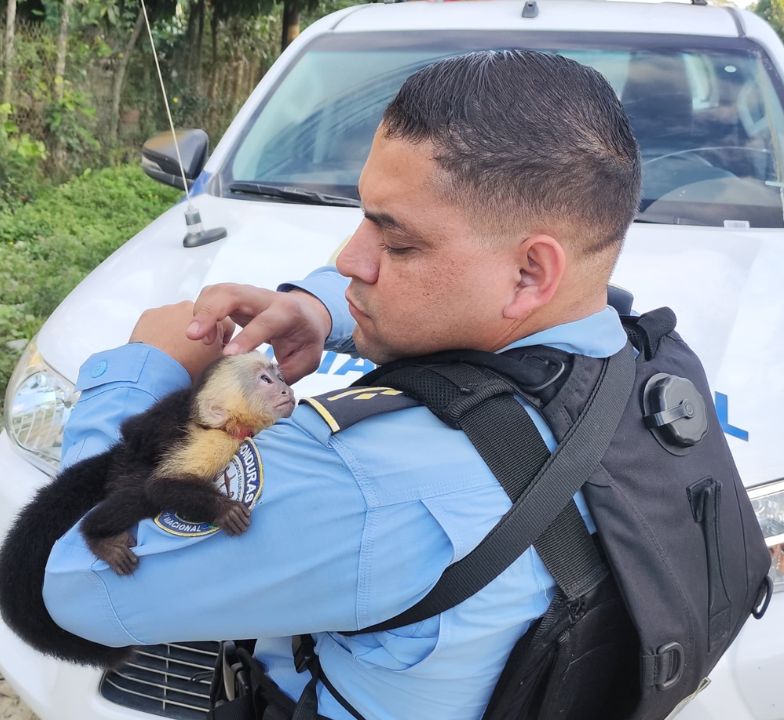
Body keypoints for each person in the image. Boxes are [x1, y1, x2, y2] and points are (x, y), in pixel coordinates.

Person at [42, 49, 642, 719]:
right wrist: (322, 309)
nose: (350, 260)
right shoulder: (642, 357)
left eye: (398, 243)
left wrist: (141, 373)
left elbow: (77, 589)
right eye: (363, 218)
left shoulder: (360, 480)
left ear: (532, 273)